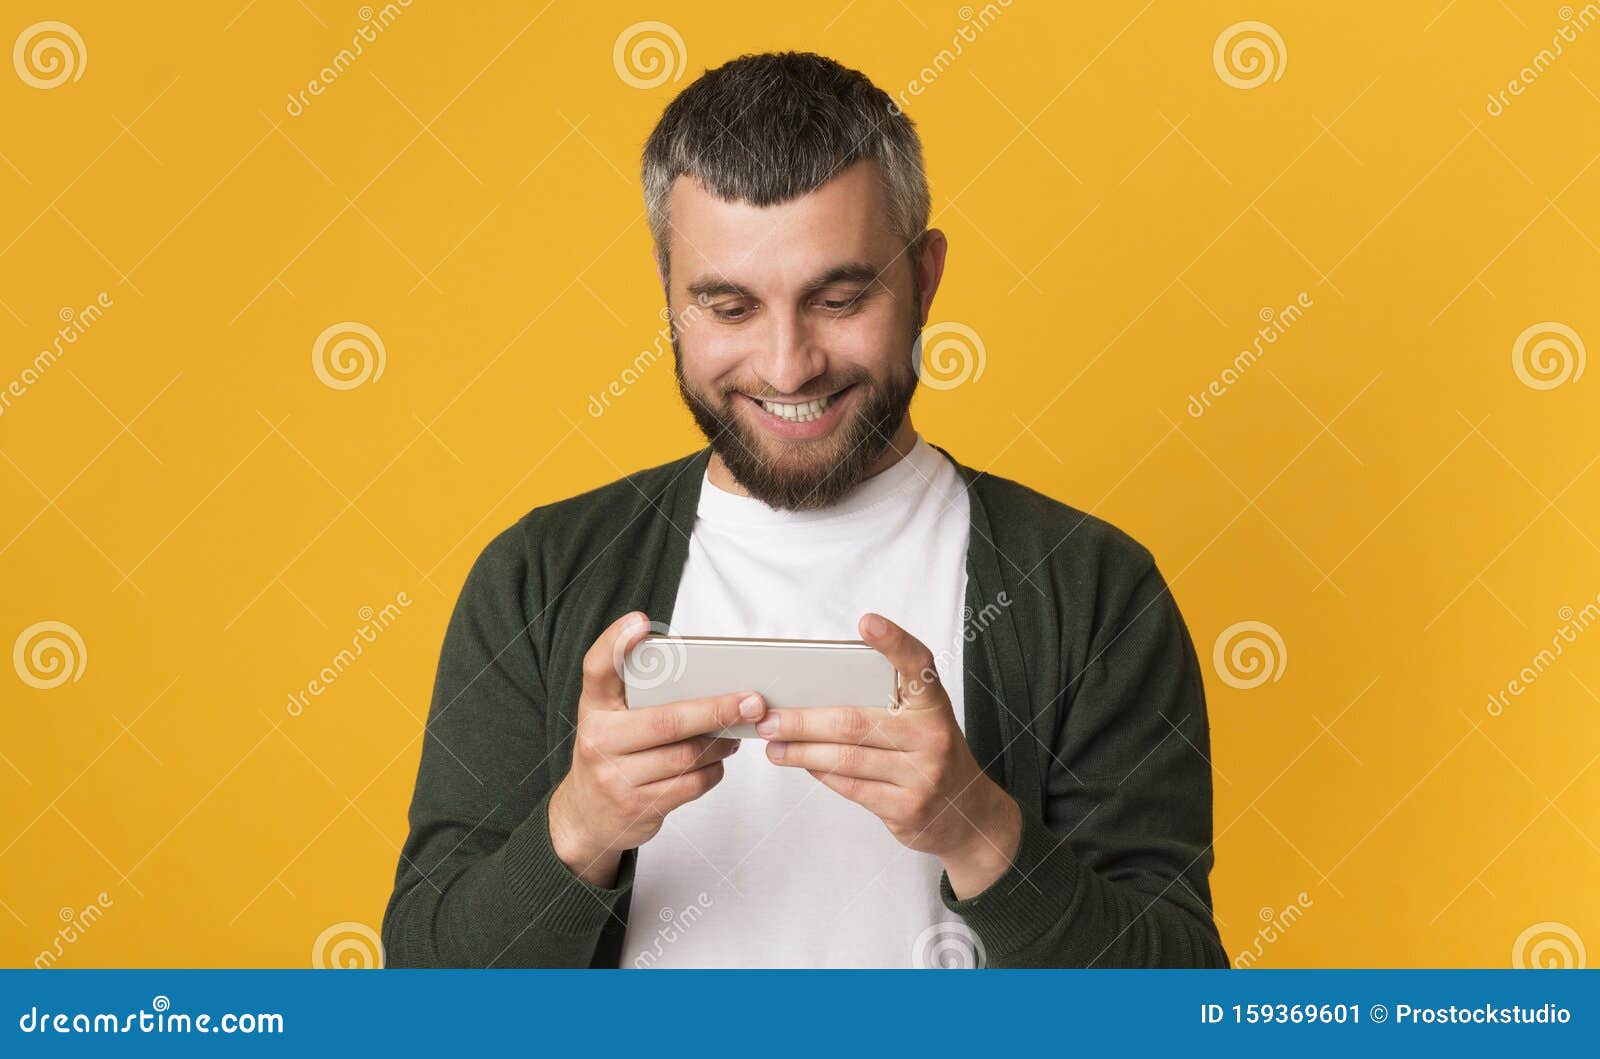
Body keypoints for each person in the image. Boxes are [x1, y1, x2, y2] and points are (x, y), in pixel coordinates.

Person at [382, 50, 1225, 969]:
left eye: (839, 297)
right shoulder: (541, 576)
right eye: (730, 307)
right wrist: (579, 828)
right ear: (668, 291)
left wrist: (978, 830)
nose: (788, 367)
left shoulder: (1091, 589)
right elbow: (425, 981)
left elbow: (1184, 1002)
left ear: (927, 278)